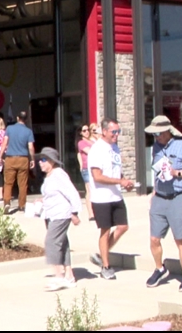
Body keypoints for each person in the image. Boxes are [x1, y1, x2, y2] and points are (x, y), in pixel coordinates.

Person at [145, 115, 182, 293]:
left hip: (178, 196)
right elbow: (156, 171)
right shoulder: (156, 147)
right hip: (160, 196)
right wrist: (153, 193)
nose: (157, 137)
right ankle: (159, 268)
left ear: (168, 131)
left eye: (159, 134)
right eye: (154, 135)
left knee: (180, 239)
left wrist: (177, 173)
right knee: (154, 238)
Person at [87, 118, 135, 280]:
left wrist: (125, 181)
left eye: (118, 132)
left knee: (123, 226)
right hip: (101, 198)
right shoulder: (97, 150)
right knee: (105, 231)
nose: (116, 135)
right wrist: (120, 181)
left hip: (116, 195)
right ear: (104, 131)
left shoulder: (115, 148)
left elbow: (116, 171)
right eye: (114, 132)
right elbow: (97, 176)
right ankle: (106, 266)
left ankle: (102, 254)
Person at [38, 146, 82, 292]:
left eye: (44, 159)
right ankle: (69, 276)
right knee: (62, 244)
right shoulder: (49, 176)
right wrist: (41, 202)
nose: (40, 162)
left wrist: (75, 212)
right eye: (40, 159)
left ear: (52, 161)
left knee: (51, 243)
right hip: (51, 214)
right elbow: (53, 194)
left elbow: (72, 193)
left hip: (61, 214)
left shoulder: (58, 174)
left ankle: (59, 276)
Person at [2, 110, 36, 214]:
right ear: (26, 119)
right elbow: (31, 147)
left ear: (17, 118)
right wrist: (32, 159)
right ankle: (22, 205)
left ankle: (7, 202)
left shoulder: (9, 128)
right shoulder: (28, 131)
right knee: (22, 184)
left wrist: (0, 156)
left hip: (10, 158)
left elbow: (4, 143)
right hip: (23, 158)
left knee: (8, 183)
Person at [77, 124, 97, 218]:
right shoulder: (81, 142)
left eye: (88, 130)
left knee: (96, 189)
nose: (87, 132)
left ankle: (96, 210)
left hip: (95, 167)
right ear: (80, 133)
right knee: (89, 190)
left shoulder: (93, 141)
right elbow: (90, 152)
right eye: (84, 130)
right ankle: (91, 214)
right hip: (86, 169)